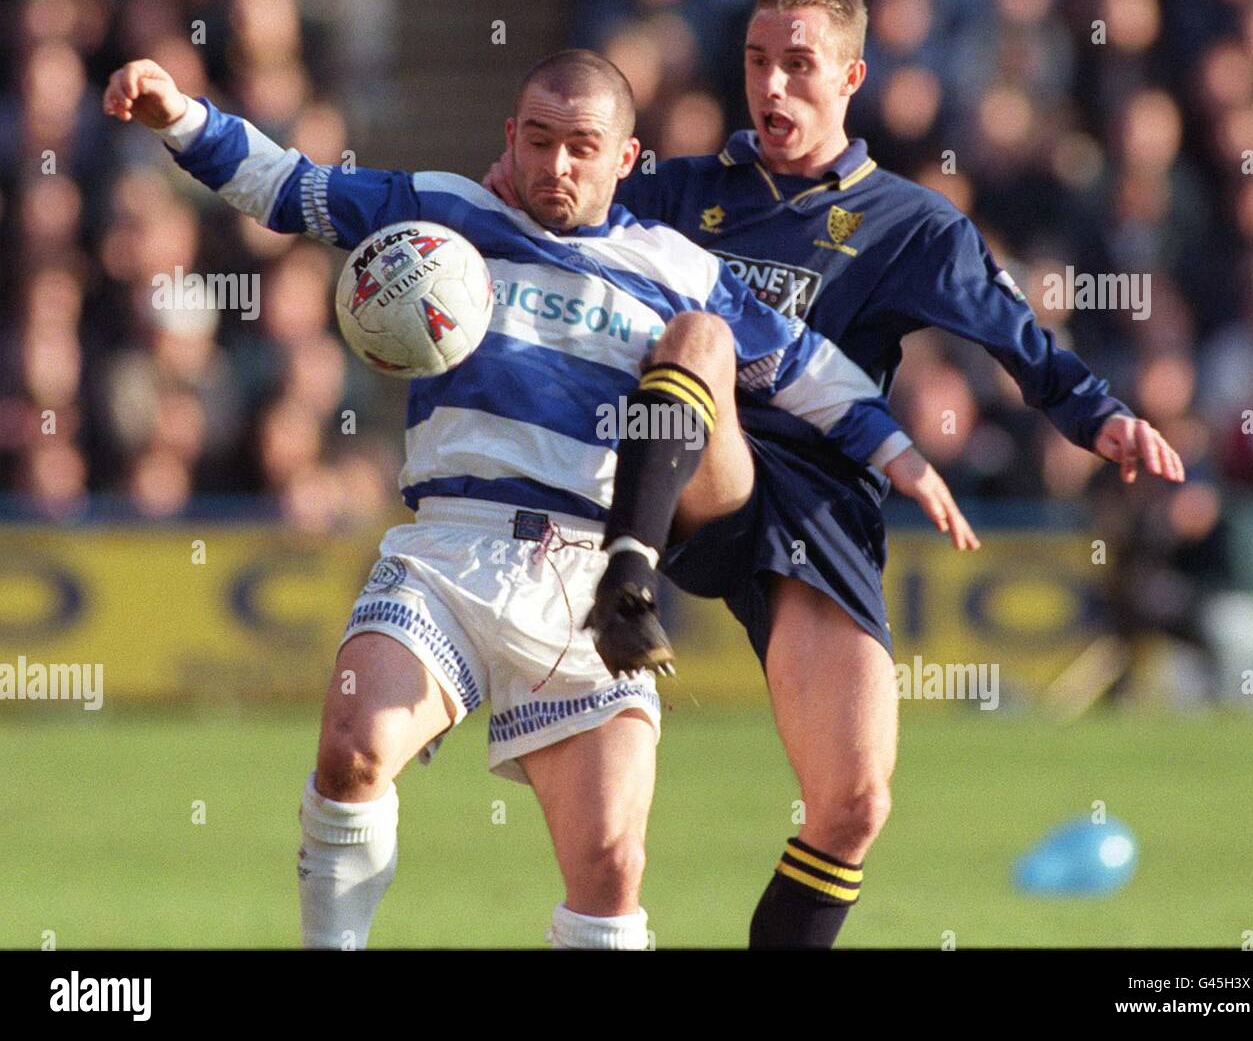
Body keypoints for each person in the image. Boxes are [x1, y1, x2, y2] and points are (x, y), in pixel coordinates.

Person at [102, 48, 968, 950]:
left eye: (582, 148)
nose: (557, 166)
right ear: (510, 137)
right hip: (450, 548)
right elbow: (293, 188)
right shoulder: (447, 210)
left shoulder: (675, 267)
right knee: (352, 746)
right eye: (540, 140)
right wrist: (179, 116)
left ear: (626, 160)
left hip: (586, 576)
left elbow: (808, 369)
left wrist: (901, 453)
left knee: (608, 866)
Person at [487, 0, 1186, 950]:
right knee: (700, 337)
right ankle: (627, 576)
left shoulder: (908, 224)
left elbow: (1009, 328)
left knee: (852, 806)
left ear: (852, 75)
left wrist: (1097, 415)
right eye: (756, 62)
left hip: (821, 508)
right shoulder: (678, 193)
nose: (772, 87)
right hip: (697, 468)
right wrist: (506, 190)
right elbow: (548, 192)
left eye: (799, 66)